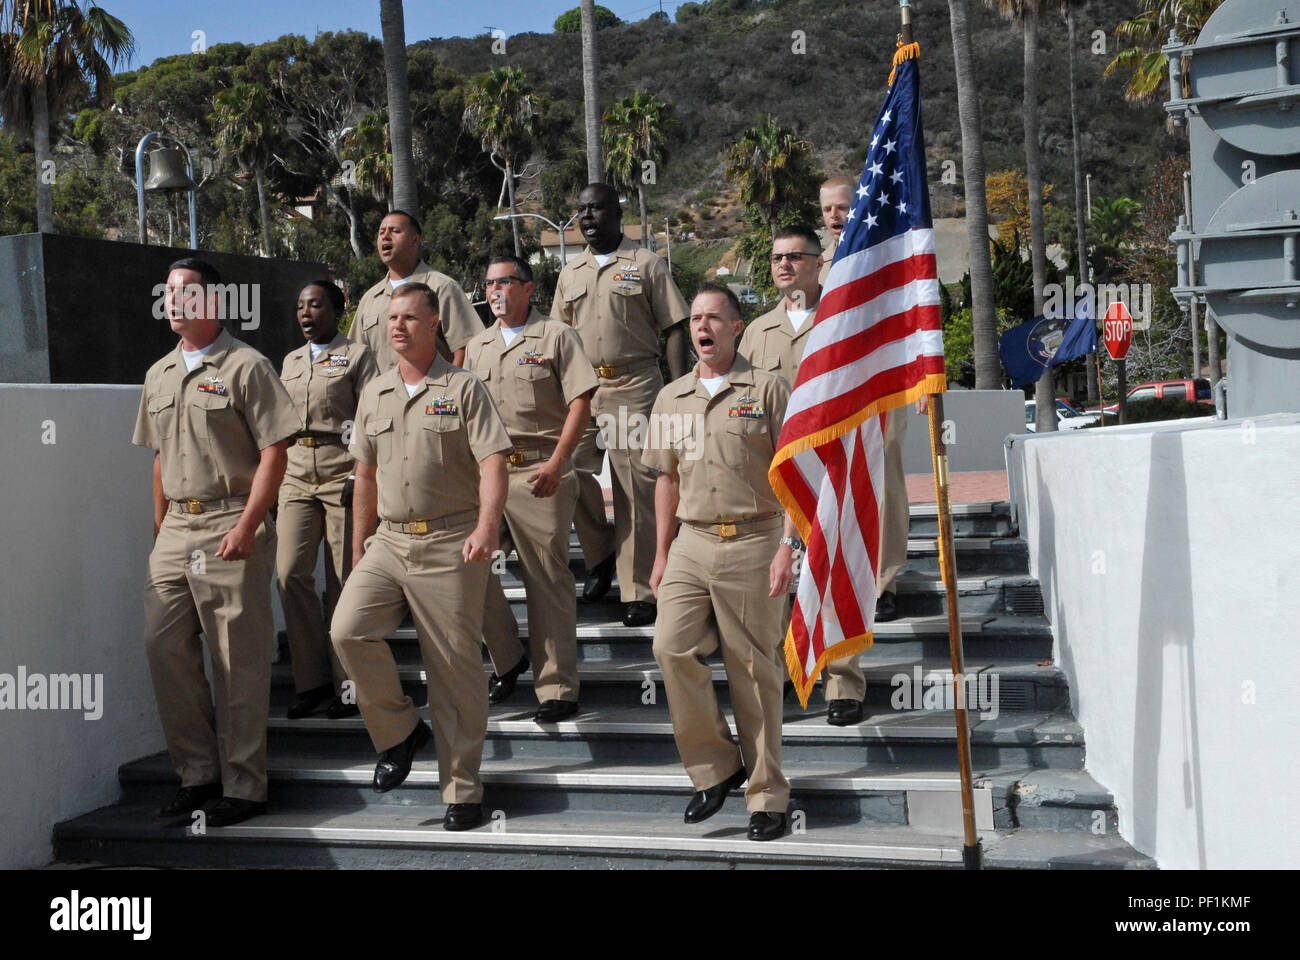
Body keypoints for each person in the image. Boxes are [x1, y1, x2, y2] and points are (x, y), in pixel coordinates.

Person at [329, 282, 511, 832]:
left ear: (435, 324)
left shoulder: (463, 388)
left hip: (450, 541)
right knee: (347, 631)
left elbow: (493, 461)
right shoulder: (375, 392)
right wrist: (361, 543)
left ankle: (463, 790)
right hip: (388, 538)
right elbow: (364, 474)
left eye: (410, 317)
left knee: (453, 669)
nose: (398, 326)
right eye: (392, 318)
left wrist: (487, 527)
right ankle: (401, 731)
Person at [132, 257, 301, 827]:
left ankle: (245, 786)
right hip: (177, 530)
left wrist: (249, 525)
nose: (174, 301)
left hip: (232, 521)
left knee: (237, 661)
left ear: (214, 303)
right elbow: (158, 458)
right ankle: (198, 775)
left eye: (186, 292)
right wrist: (160, 530)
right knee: (164, 649)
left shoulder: (246, 366)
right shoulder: (158, 374)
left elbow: (276, 450)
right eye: (169, 293)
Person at [643, 282, 798, 842]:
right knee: (669, 647)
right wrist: (660, 554)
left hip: (756, 541)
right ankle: (716, 766)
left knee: (754, 673)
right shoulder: (669, 397)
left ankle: (767, 795)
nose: (701, 326)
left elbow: (796, 475)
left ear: (737, 327)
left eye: (713, 317)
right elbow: (664, 479)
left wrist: (788, 546)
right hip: (690, 542)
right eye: (694, 319)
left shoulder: (770, 389)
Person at [551, 183, 690, 628]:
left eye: (596, 208)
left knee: (636, 489)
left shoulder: (646, 264)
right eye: (580, 210)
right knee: (564, 469)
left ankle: (639, 592)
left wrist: (677, 390)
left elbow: (675, 327)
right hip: (583, 391)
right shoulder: (569, 274)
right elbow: (557, 339)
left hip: (635, 385)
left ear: (617, 212)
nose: (587, 217)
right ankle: (600, 551)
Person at [466, 256, 598, 724]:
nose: (495, 291)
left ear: (528, 288)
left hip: (542, 470)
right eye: (489, 283)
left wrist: (560, 464)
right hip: (489, 473)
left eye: (505, 282)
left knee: (546, 578)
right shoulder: (476, 346)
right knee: (465, 565)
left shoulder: (557, 336)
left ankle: (557, 687)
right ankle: (507, 656)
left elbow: (581, 401)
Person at [276, 281, 379, 721]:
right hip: (296, 473)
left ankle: (348, 685)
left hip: (342, 468)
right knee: (290, 573)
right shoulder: (291, 360)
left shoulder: (358, 357)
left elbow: (372, 419)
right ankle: (311, 681)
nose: (305, 313)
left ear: (336, 310)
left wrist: (361, 472)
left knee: (343, 578)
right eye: (300, 306)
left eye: (315, 305)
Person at [352, 210, 483, 370]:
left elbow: (466, 348)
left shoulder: (442, 287)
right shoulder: (369, 299)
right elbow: (356, 356)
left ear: (415, 240)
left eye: (395, 231)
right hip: (382, 394)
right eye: (381, 232)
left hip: (432, 392)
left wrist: (447, 391)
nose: (385, 236)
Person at [818, 176, 856, 285]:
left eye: (842, 208)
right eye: (827, 209)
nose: (833, 215)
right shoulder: (818, 267)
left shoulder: (882, 252)